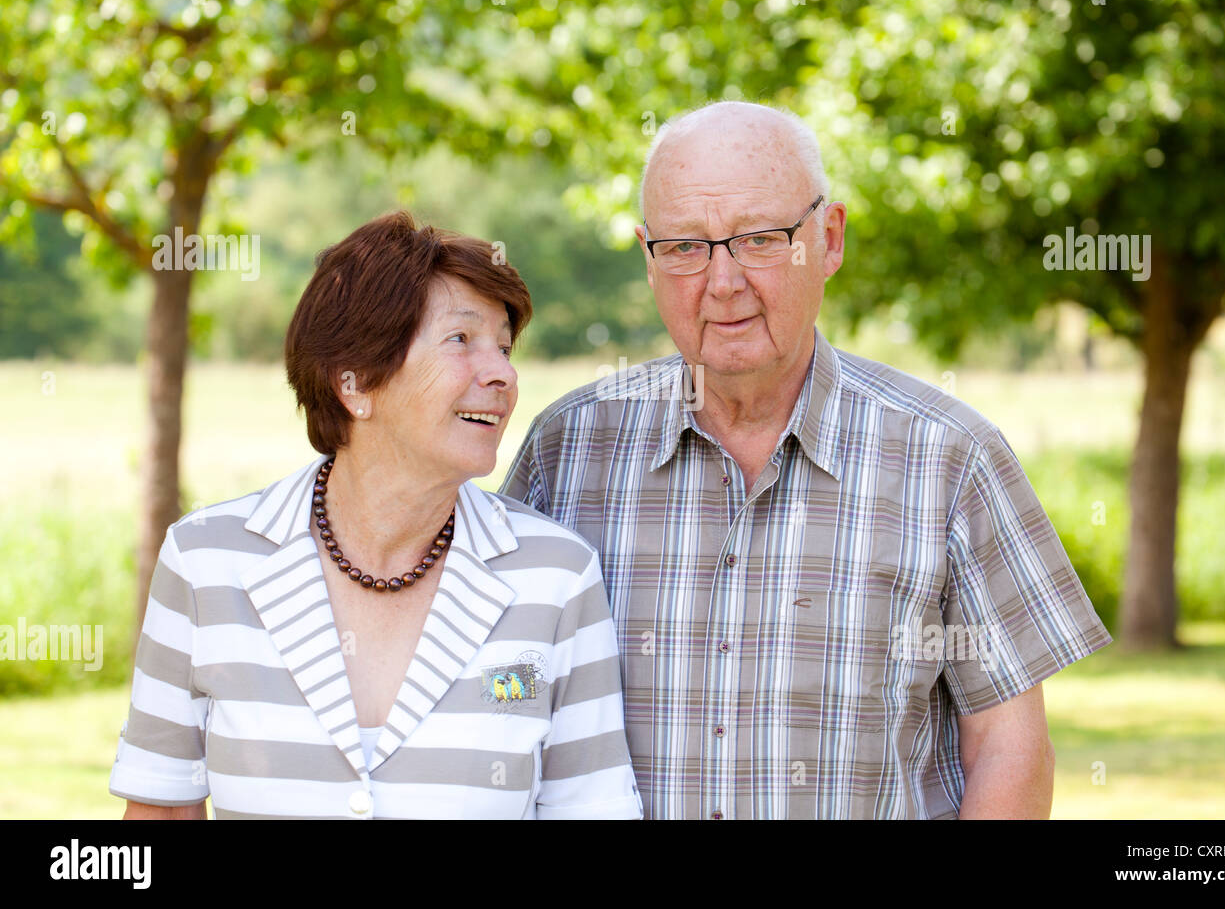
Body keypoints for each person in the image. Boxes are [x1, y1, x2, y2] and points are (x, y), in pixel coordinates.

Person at [501, 100, 1112, 819]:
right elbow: (506, 700)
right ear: (648, 257)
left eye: (759, 239)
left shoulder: (948, 458)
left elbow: (1007, 746)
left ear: (829, 238)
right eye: (686, 247)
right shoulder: (566, 452)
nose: (722, 282)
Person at [109, 211, 643, 819]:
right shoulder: (207, 562)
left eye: (503, 345)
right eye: (462, 339)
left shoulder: (557, 576)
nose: (503, 373)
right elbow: (161, 812)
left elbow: (590, 809)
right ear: (355, 382)